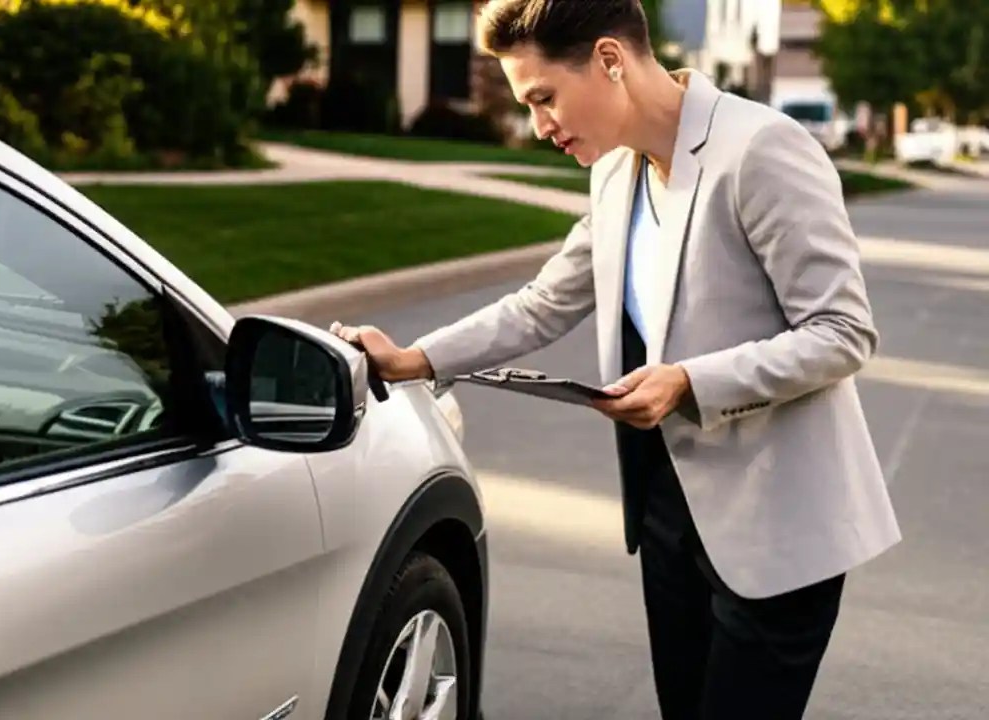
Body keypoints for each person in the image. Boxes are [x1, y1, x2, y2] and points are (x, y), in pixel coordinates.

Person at [330, 1, 902, 718]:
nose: (540, 125)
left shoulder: (762, 150)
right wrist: (415, 358)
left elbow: (842, 329)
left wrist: (691, 380)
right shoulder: (615, 173)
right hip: (667, 513)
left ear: (608, 59)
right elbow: (544, 303)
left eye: (544, 98)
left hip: (779, 527)